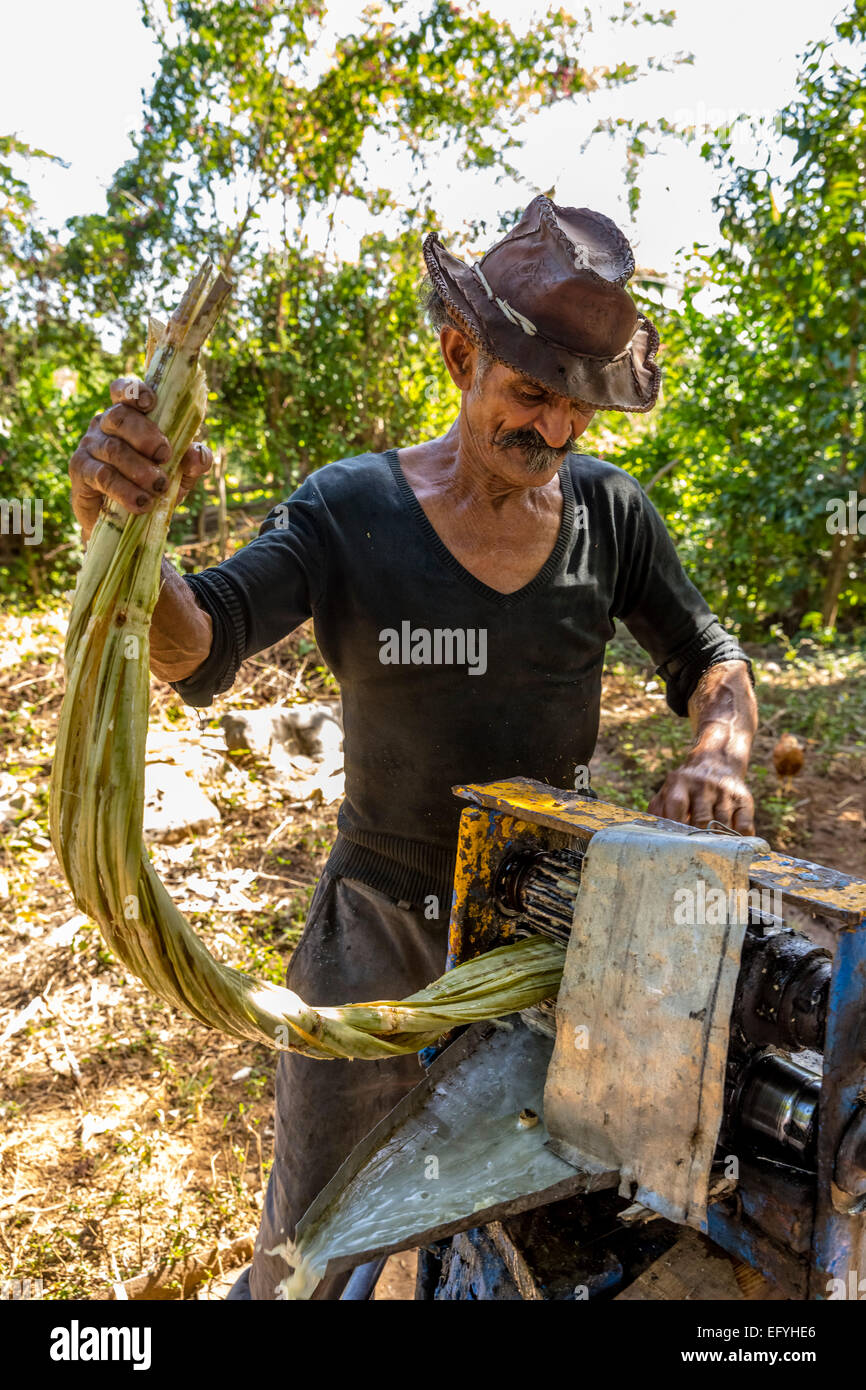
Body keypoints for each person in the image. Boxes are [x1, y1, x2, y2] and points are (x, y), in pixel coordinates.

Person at [68, 196, 758, 1299]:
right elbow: (199, 643)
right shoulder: (351, 509)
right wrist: (125, 534)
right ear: (456, 353)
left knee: (536, 1207)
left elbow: (708, 656)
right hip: (375, 928)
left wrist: (719, 750)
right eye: (531, 394)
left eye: (580, 407)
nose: (557, 433)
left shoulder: (611, 516)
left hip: (547, 933)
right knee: (314, 1237)